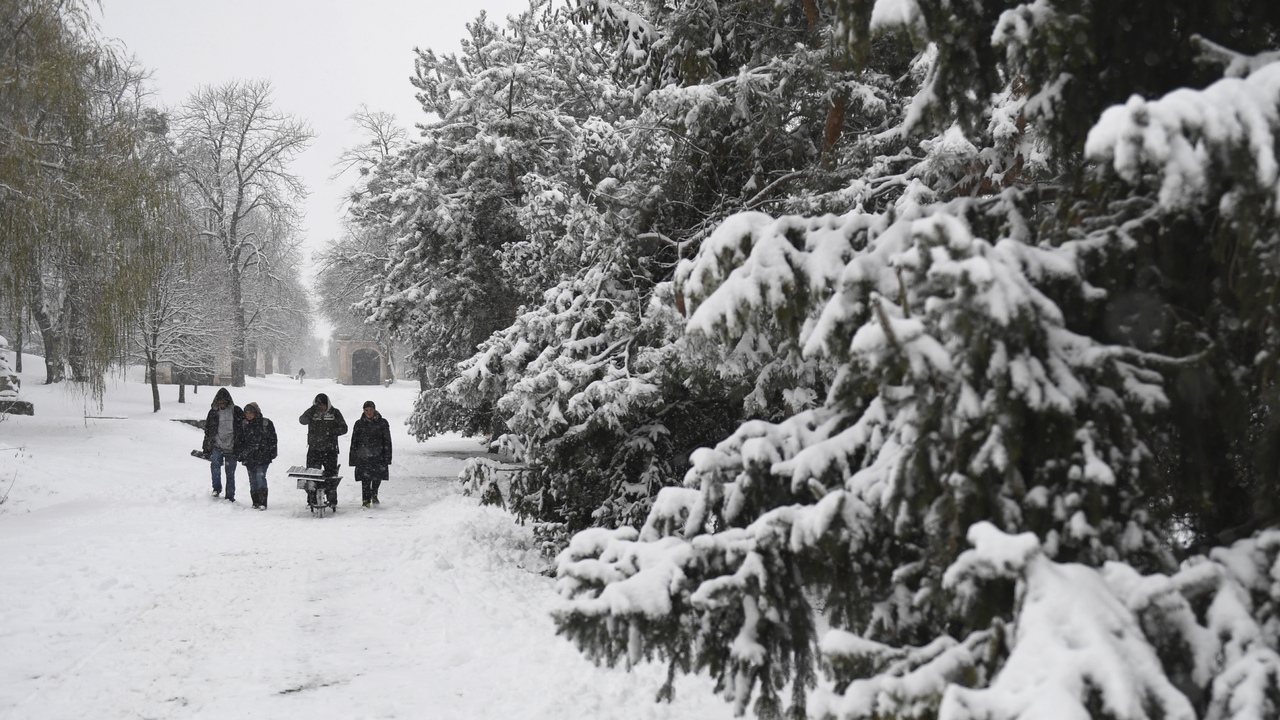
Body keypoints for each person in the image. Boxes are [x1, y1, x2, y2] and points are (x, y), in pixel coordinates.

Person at [299, 393, 347, 507]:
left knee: (331, 476)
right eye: (319, 405)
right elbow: (302, 420)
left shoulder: (335, 413)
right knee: (312, 475)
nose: (321, 408)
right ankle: (311, 499)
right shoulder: (312, 413)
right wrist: (311, 410)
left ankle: (332, 499)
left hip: (330, 450)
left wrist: (331, 432)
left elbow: (344, 428)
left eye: (323, 405)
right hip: (314, 449)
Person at [202, 387, 245, 501]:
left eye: (223, 400)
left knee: (230, 473)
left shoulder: (236, 411)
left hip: (232, 447)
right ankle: (216, 488)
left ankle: (230, 495)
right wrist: (206, 447)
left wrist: (241, 446)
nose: (222, 402)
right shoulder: (213, 412)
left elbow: (243, 429)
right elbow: (208, 430)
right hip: (217, 445)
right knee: (215, 467)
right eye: (219, 400)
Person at [349, 400, 392, 508]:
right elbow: (354, 441)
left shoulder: (382, 423)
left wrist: (387, 455)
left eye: (371, 410)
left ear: (374, 409)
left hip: (378, 455)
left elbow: (387, 440)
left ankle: (374, 493)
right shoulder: (359, 424)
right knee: (365, 479)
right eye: (366, 410)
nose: (369, 412)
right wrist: (353, 457)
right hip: (363, 456)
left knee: (377, 477)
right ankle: (366, 500)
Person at [240, 402, 278, 511]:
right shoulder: (244, 424)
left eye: (251, 413)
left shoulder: (266, 423)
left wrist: (271, 452)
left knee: (260, 477)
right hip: (249, 457)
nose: (248, 415)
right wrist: (242, 453)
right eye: (246, 413)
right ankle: (255, 501)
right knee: (252, 479)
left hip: (263, 456)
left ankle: (262, 502)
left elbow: (273, 440)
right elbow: (240, 440)